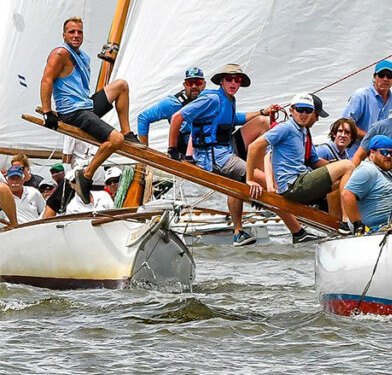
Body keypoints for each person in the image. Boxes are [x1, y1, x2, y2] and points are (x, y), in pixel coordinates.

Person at [40, 16, 140, 205]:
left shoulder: (83, 56)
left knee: (121, 86)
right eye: (72, 32)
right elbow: (47, 80)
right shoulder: (61, 53)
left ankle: (128, 133)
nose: (76, 35)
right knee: (114, 139)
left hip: (85, 106)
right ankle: (86, 176)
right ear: (64, 35)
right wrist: (47, 112)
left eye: (79, 32)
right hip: (72, 112)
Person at [169, 63, 264, 246]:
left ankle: (239, 232)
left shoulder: (229, 100)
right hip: (214, 158)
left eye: (237, 80)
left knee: (262, 122)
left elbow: (234, 119)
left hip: (225, 150)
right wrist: (172, 150)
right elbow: (177, 118)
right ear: (221, 80)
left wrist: (262, 112)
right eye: (229, 79)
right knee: (263, 180)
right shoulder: (212, 99)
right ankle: (262, 195)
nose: (233, 83)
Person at [247, 93, 353, 242]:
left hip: (301, 182)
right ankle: (346, 222)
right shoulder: (285, 128)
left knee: (345, 176)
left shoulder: (302, 131)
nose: (304, 114)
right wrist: (251, 180)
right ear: (292, 110)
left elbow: (314, 161)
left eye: (308, 111)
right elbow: (254, 148)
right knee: (348, 165)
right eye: (300, 110)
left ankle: (339, 227)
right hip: (294, 186)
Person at [341, 135, 392, 232]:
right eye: (384, 152)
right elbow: (346, 195)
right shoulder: (367, 170)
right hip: (374, 233)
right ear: (372, 153)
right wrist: (358, 225)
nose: (388, 156)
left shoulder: (387, 174)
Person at [137, 67, 207, 151]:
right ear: (184, 85)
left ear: (204, 84)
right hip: (181, 156)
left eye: (198, 82)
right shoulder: (173, 104)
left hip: (206, 154)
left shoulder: (212, 101)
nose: (194, 86)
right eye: (190, 83)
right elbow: (143, 117)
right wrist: (144, 150)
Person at [341, 59, 392, 154]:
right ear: (375, 77)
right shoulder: (361, 96)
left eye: (389, 76)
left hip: (381, 156)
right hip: (354, 154)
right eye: (381, 75)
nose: (385, 79)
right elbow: (345, 123)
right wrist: (370, 137)